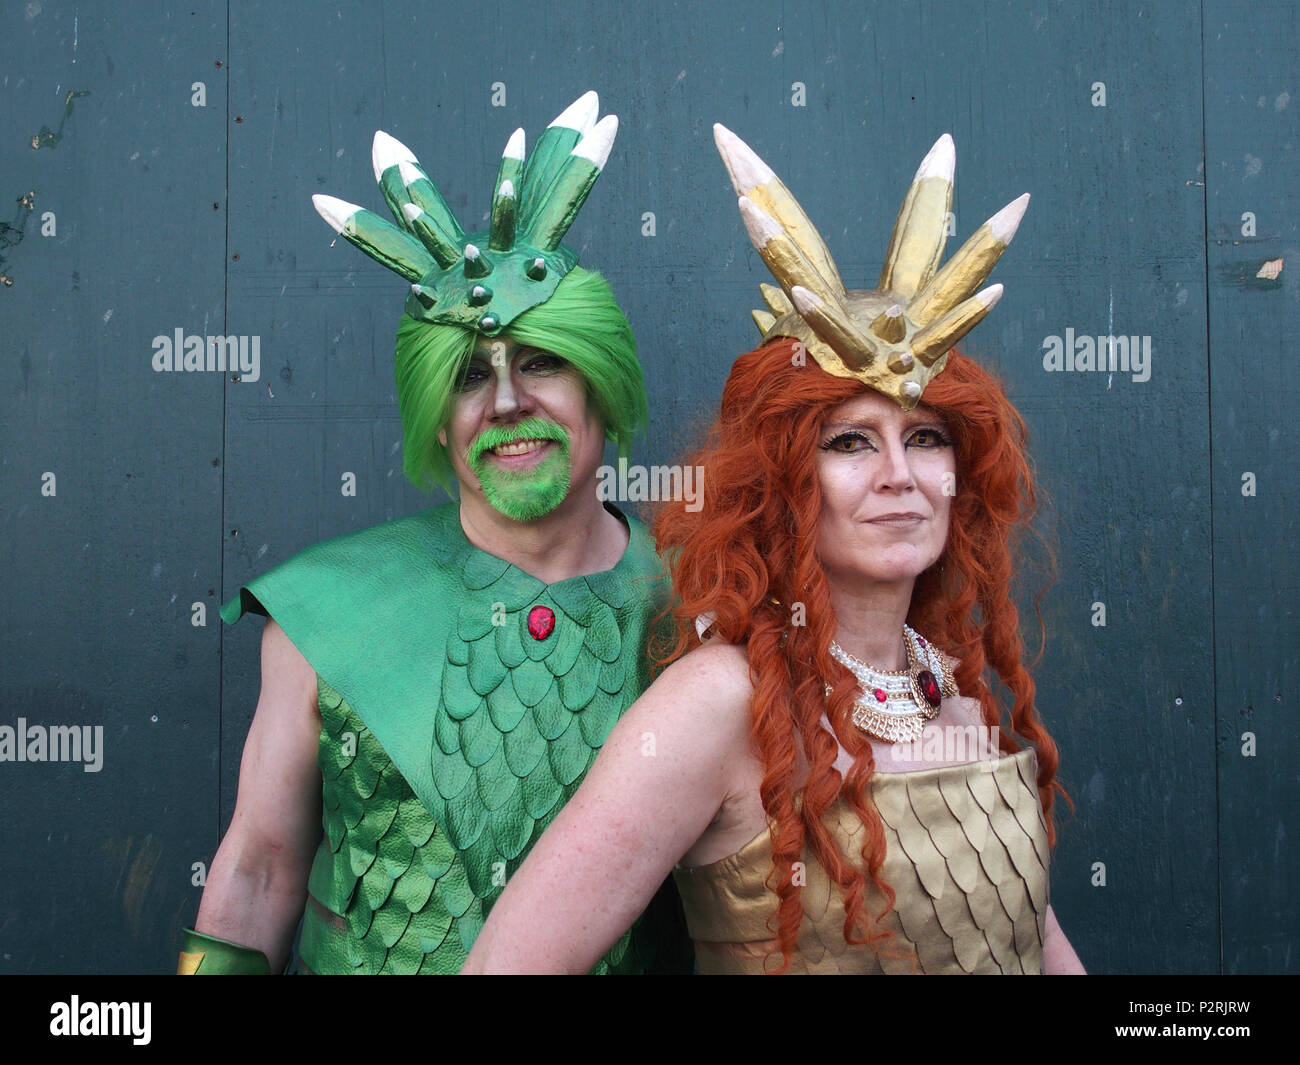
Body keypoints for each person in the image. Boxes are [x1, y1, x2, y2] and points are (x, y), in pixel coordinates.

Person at [463, 125, 1085, 974]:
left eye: (927, 436)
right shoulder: (721, 702)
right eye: (851, 443)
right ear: (782, 481)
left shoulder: (956, 689)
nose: (899, 475)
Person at [176, 92, 689, 975]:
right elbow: (258, 871)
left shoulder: (706, 608)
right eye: (467, 379)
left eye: (542, 362)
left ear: (602, 387)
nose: (508, 402)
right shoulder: (325, 610)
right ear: (438, 422)